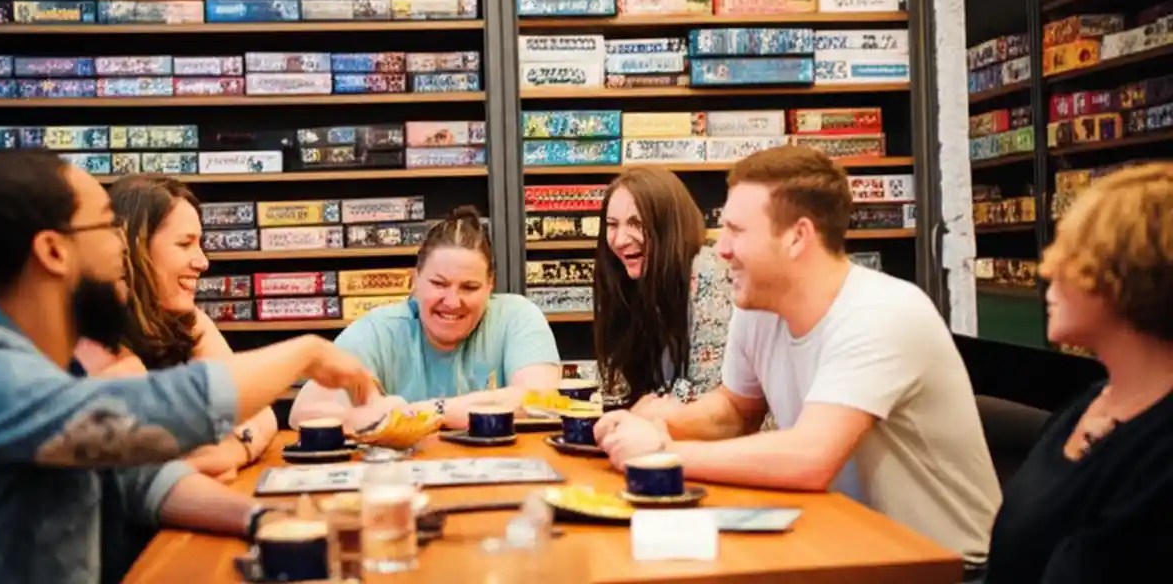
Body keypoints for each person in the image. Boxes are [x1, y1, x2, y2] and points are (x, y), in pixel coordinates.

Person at [0, 150, 375, 583]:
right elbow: (142, 418)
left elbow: (140, 479)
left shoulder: (33, 360)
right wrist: (305, 352)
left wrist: (262, 521)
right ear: (52, 251)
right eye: (105, 225)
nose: (123, 245)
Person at [593, 146, 1001, 577]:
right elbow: (735, 410)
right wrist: (652, 422)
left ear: (797, 237)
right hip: (840, 545)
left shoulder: (881, 313)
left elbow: (810, 456)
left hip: (947, 568)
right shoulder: (757, 306)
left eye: (736, 230)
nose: (722, 248)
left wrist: (663, 453)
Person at [984, 163, 1173, 583]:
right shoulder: (1091, 403)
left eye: (1073, 257)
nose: (1047, 271)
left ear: (1130, 275)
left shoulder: (1160, 453)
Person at [72, 175, 278, 481]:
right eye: (185, 244)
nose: (203, 261)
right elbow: (161, 450)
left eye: (200, 244)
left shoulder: (187, 320)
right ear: (134, 247)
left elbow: (259, 410)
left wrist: (234, 449)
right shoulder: (93, 337)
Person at [290, 206, 562, 430]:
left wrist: (429, 412)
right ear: (415, 280)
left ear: (491, 285)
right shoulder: (378, 330)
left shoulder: (517, 316)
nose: (453, 302)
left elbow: (542, 401)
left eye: (469, 287)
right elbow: (304, 414)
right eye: (439, 284)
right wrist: (370, 418)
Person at [593, 167, 734, 407]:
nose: (620, 239)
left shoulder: (707, 272)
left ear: (668, 226)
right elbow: (615, 388)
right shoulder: (624, 282)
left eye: (636, 223)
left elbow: (711, 394)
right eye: (612, 225)